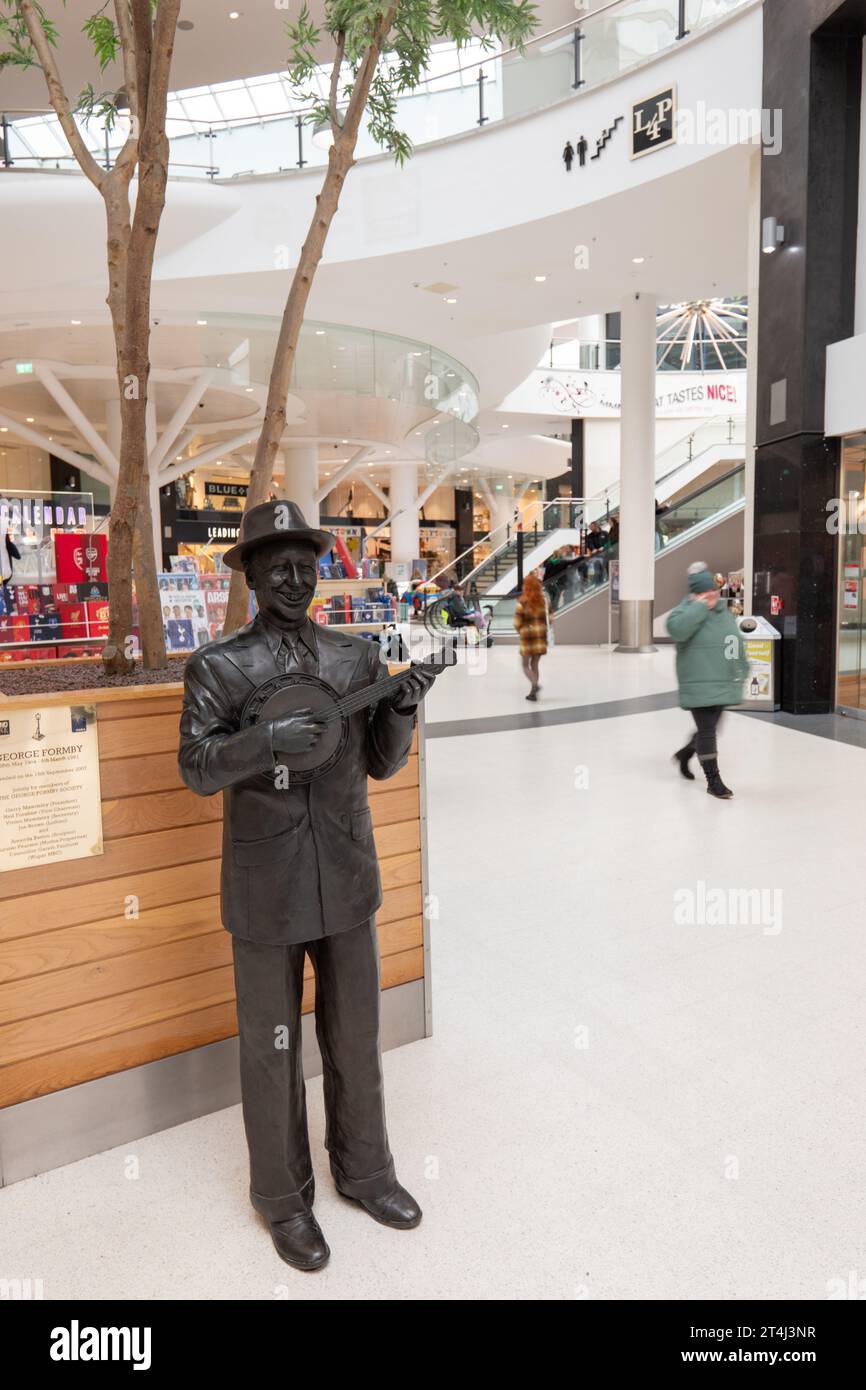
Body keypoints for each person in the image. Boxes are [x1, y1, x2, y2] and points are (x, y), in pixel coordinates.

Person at [179, 500, 437, 1272]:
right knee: (271, 1046)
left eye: (306, 565)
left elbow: (381, 763)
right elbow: (195, 767)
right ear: (252, 575)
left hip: (348, 874)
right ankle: (283, 1199)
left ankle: (366, 1172)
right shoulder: (219, 667)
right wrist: (262, 744)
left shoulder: (355, 659)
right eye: (277, 566)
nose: (294, 579)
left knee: (357, 1033)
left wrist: (403, 710)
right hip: (265, 884)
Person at [666, 561, 748, 799]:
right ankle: (714, 781)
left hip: (722, 681)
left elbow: (734, 643)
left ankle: (685, 754)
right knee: (708, 732)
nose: (710, 595)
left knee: (711, 729)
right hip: (698, 683)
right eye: (703, 592)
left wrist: (741, 668)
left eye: (712, 590)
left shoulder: (725, 613)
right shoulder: (684, 612)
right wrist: (699, 608)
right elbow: (677, 630)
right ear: (694, 594)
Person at [513, 571, 550, 701]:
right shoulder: (544, 600)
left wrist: (522, 630)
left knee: (524, 665)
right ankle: (533, 693)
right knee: (535, 664)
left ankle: (535, 685)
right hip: (540, 637)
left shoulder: (522, 602)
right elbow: (550, 618)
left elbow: (517, 623)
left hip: (527, 637)